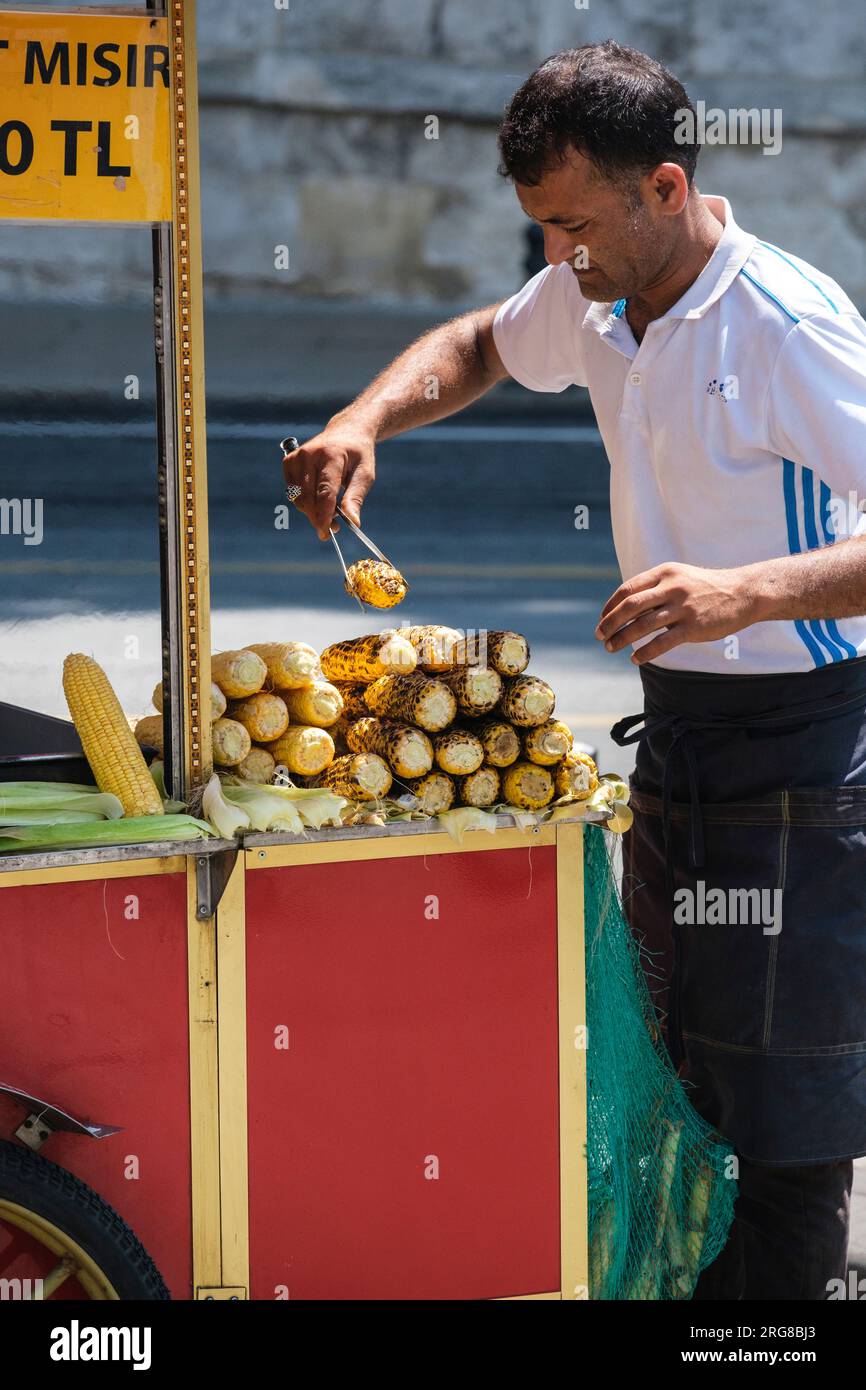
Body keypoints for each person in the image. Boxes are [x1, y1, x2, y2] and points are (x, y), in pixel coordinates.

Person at [283, 40, 866, 1300]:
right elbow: (478, 345)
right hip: (678, 744)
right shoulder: (595, 291)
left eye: (574, 224)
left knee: (783, 1125)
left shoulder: (785, 323)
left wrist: (744, 591)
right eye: (539, 228)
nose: (557, 256)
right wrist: (363, 419)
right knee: (675, 1084)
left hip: (810, 763)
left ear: (664, 187)